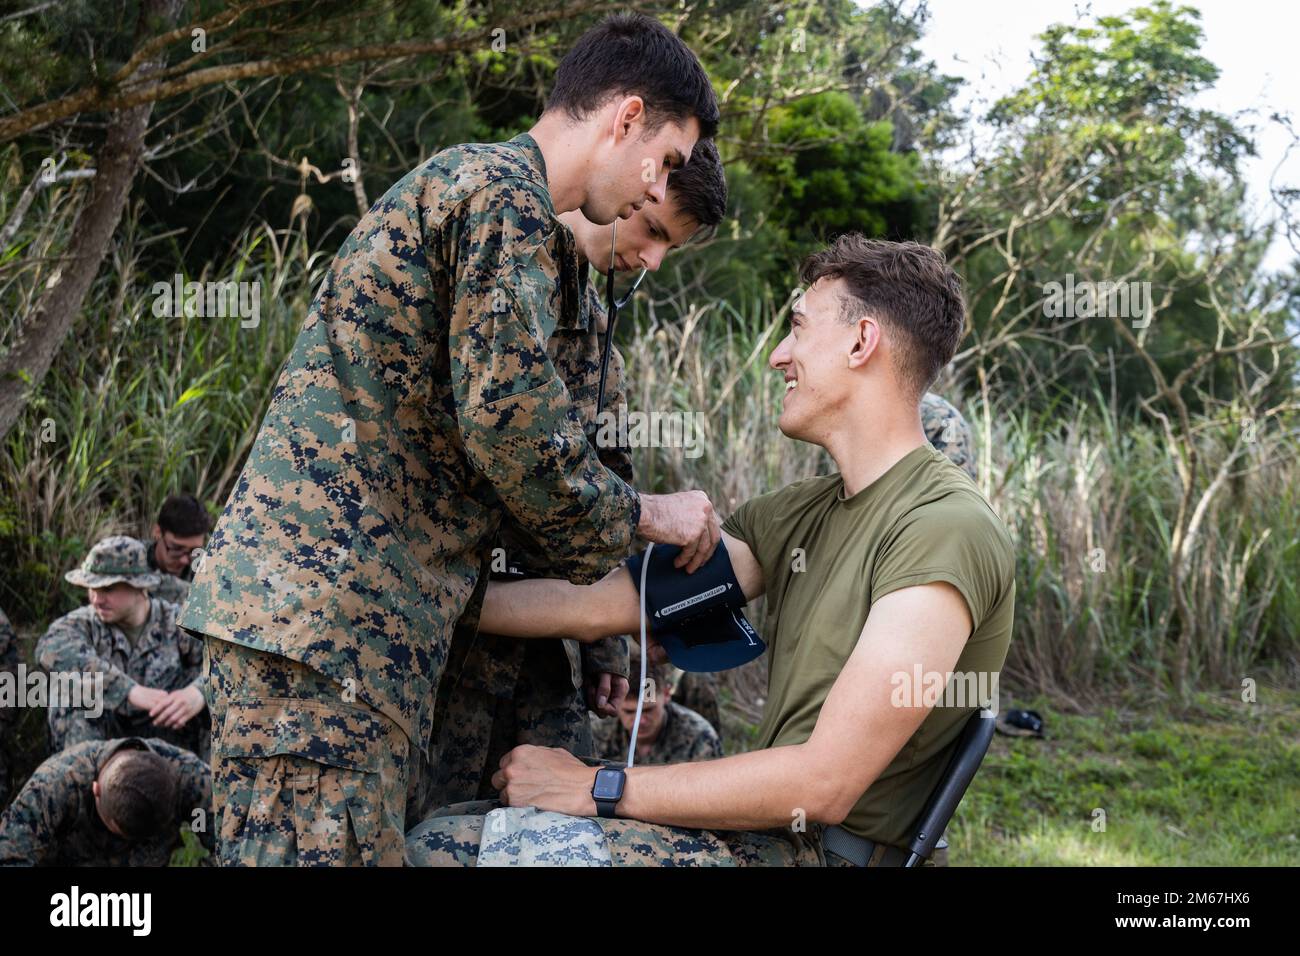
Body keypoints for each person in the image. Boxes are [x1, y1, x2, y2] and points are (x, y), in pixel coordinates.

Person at [180, 12, 723, 866]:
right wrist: (655, 516)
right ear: (625, 119)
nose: (659, 191)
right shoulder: (502, 196)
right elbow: (515, 428)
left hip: (346, 638)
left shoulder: (495, 201)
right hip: (327, 634)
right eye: (668, 164)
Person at [407, 236, 1015, 867]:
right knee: (449, 827)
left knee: (448, 853)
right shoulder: (799, 512)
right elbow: (605, 605)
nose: (779, 355)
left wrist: (596, 785)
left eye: (799, 329)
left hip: (823, 855)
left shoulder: (945, 526)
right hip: (773, 841)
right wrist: (426, 594)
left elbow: (823, 785)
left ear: (862, 342)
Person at [417, 139, 729, 821]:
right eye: (651, 230)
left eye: (668, 249)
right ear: (624, 183)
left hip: (538, 657)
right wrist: (649, 516)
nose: (652, 259)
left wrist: (605, 641)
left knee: (555, 834)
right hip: (439, 638)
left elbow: (608, 476)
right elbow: (510, 449)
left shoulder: (595, 329)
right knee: (426, 831)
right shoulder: (495, 257)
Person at [37, 536, 208, 757]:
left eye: (108, 589)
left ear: (140, 587)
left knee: (217, 697)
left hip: (172, 740)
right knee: (68, 691)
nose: (96, 599)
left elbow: (229, 663)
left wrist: (198, 693)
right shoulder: (84, 623)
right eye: (92, 588)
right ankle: (87, 785)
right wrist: (127, 691)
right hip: (103, 747)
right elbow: (49, 651)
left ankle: (213, 787)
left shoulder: (176, 622)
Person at [0, 737, 212, 866]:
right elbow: (8, 856)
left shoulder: (193, 783)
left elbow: (235, 846)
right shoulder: (55, 785)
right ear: (95, 790)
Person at [591, 651, 722, 766]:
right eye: (629, 712)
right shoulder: (597, 729)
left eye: (648, 710)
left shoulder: (699, 737)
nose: (640, 721)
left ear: (666, 694)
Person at [135, 493, 210, 606]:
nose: (184, 560)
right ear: (158, 532)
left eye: (194, 550)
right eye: (177, 549)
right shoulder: (132, 555)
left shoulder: (201, 562)